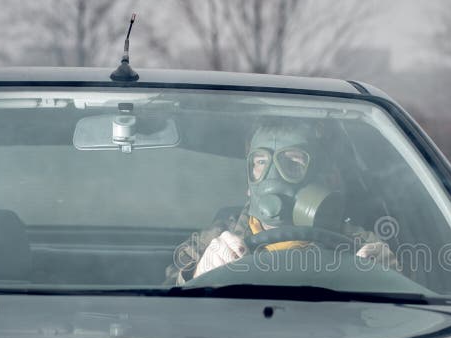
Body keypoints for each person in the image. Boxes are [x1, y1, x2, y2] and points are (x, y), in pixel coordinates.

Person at [165, 119, 394, 285]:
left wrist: (390, 278)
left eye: (293, 161)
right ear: (249, 176)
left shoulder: (357, 244)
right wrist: (195, 276)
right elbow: (165, 301)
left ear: (326, 178)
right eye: (261, 162)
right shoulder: (218, 237)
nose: (271, 176)